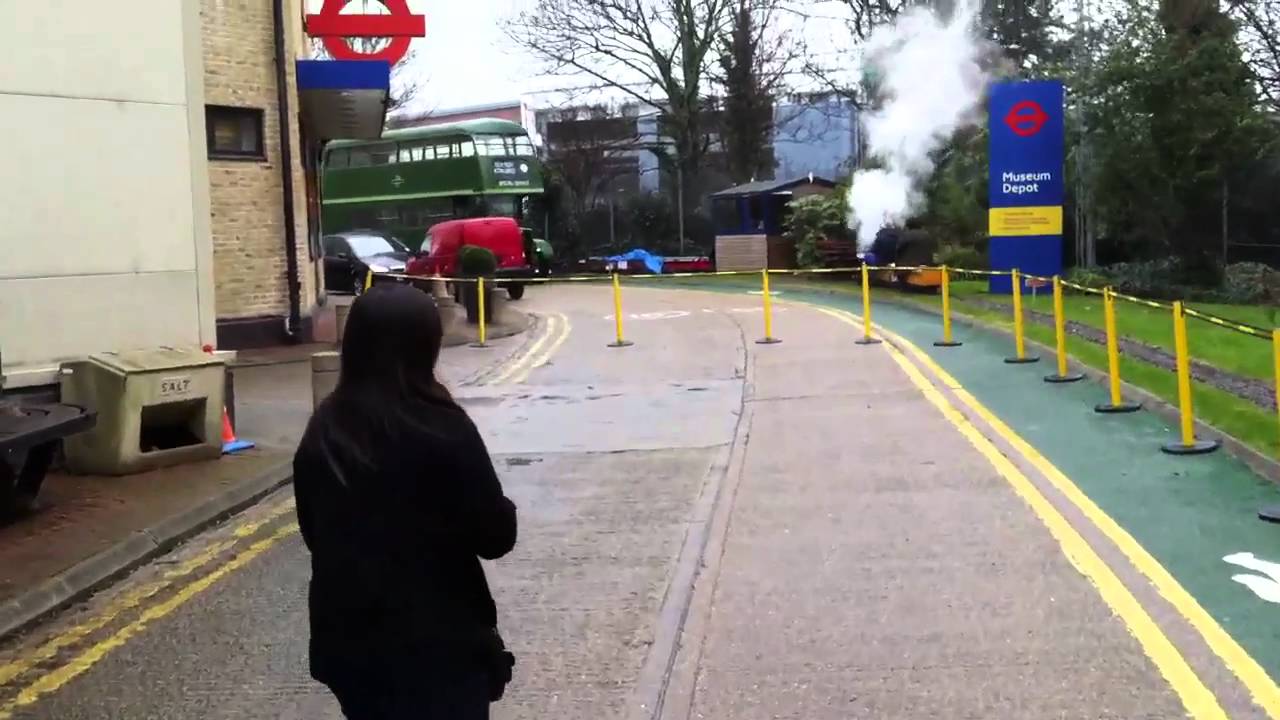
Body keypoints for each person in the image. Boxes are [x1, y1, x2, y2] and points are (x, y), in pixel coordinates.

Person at [293, 283, 518, 719]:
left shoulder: (324, 431)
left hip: (352, 649)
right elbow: (495, 536)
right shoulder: (444, 429)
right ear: (426, 348)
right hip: (440, 650)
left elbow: (314, 534)